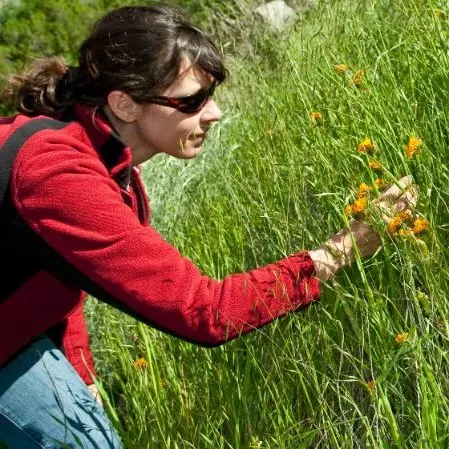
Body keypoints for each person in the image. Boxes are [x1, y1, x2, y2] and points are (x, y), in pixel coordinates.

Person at [0, 4, 416, 449]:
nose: (214, 113)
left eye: (211, 94)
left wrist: (81, 374)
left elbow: (62, 272)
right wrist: (338, 252)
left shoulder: (108, 163)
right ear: (125, 102)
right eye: (192, 100)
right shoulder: (57, 174)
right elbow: (204, 311)